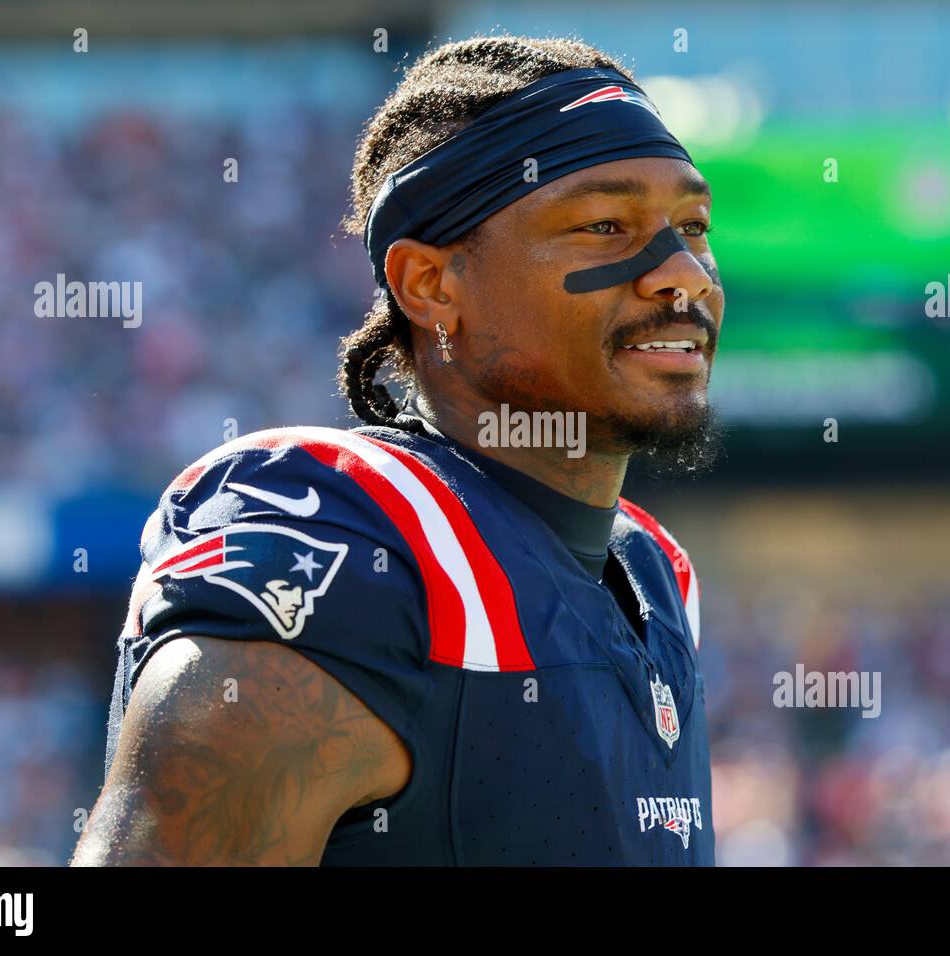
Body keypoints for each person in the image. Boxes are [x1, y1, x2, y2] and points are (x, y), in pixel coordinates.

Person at [73, 34, 724, 866]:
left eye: (694, 225)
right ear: (430, 285)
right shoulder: (356, 542)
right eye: (604, 225)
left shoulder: (654, 576)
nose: (685, 273)